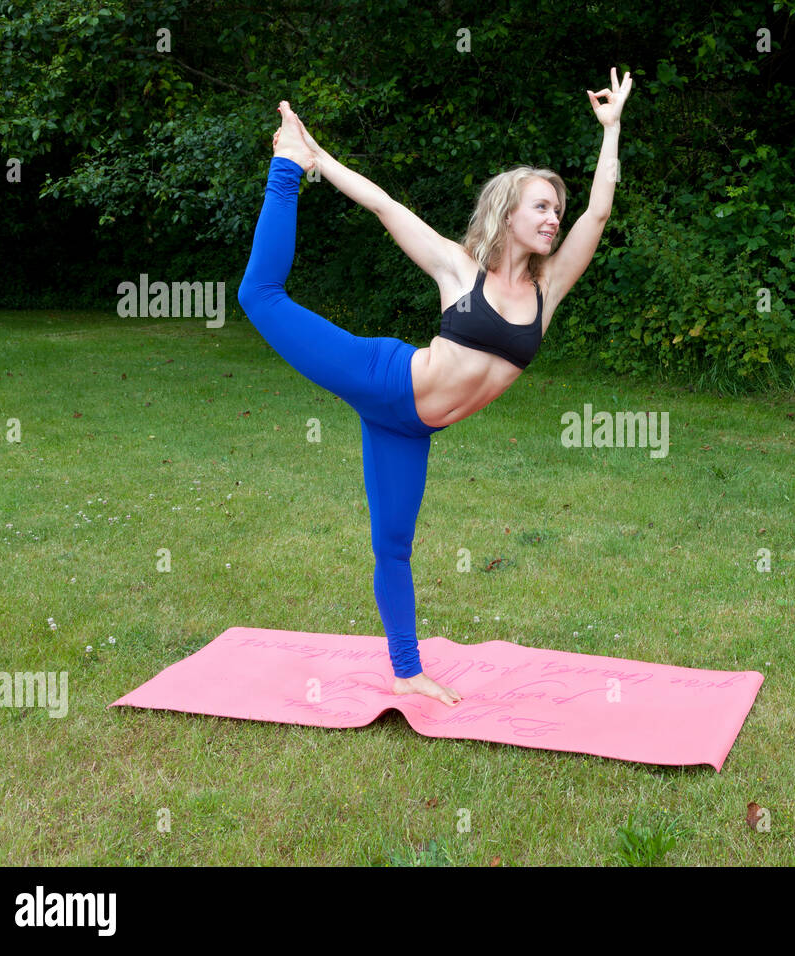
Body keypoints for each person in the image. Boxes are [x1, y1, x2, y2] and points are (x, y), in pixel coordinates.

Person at [237, 69, 633, 706]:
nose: (554, 218)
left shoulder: (547, 290)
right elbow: (384, 205)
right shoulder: (460, 268)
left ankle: (406, 671)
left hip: (411, 427)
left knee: (392, 544)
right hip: (383, 375)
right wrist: (314, 158)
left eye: (555, 209)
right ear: (507, 213)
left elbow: (600, 210)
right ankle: (284, 166)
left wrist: (610, 132)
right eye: (541, 206)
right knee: (258, 296)